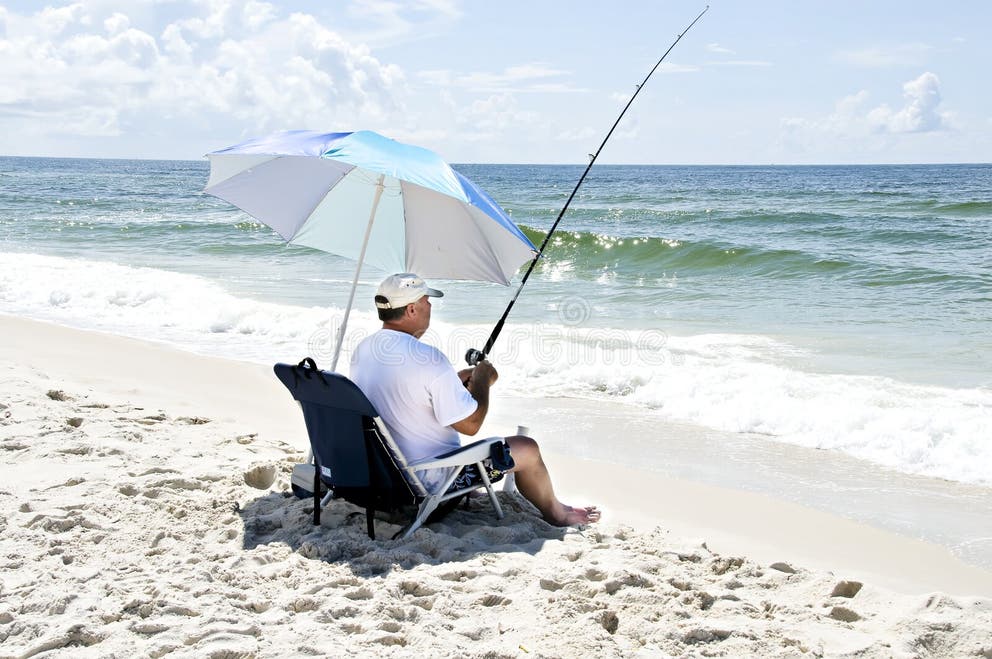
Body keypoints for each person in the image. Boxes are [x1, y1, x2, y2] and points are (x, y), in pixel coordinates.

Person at [350, 273, 600, 527]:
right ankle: (557, 513)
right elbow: (471, 425)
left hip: (381, 476)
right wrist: (482, 380)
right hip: (426, 483)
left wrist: (453, 380)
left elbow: (403, 398)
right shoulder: (429, 359)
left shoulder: (364, 349)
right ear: (412, 308)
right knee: (527, 448)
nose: (430, 306)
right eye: (427, 300)